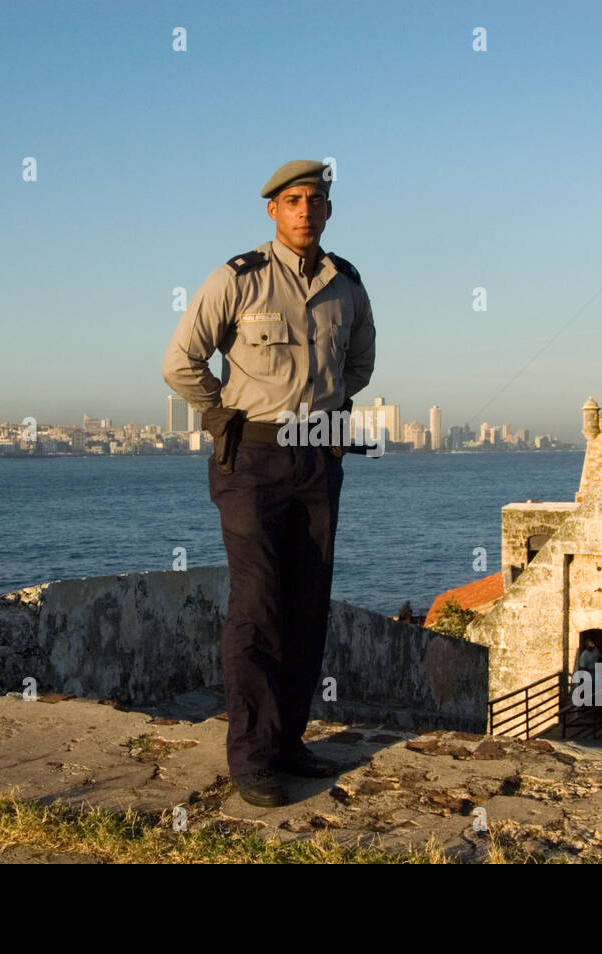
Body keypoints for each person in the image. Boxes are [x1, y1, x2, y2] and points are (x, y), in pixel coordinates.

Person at [161, 159, 376, 807]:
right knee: (257, 603)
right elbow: (181, 362)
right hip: (251, 459)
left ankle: (289, 741)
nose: (305, 209)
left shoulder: (348, 285)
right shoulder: (238, 279)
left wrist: (319, 409)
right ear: (273, 211)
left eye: (315, 200)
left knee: (308, 603)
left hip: (318, 457)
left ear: (329, 210)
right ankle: (251, 756)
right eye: (292, 200)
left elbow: (359, 363)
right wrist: (224, 414)